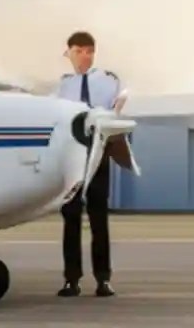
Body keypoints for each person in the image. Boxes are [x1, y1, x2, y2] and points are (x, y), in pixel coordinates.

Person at [53, 30, 126, 298]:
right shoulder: (61, 86)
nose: (85, 56)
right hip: (71, 158)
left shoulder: (109, 83)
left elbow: (117, 113)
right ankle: (71, 279)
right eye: (79, 51)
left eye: (89, 51)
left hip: (97, 155)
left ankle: (103, 279)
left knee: (99, 219)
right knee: (70, 218)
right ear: (68, 53)